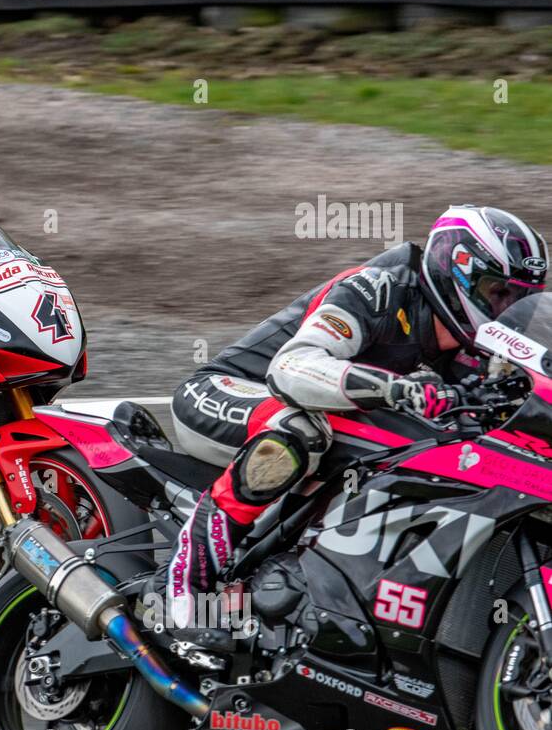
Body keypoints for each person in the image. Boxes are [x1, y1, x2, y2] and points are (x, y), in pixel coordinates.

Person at [162, 205, 548, 632]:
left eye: (519, 299)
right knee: (300, 431)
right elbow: (291, 368)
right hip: (229, 390)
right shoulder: (377, 288)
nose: (506, 308)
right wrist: (395, 389)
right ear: (456, 269)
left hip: (325, 408)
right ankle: (187, 575)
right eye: (498, 293)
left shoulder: (468, 342)